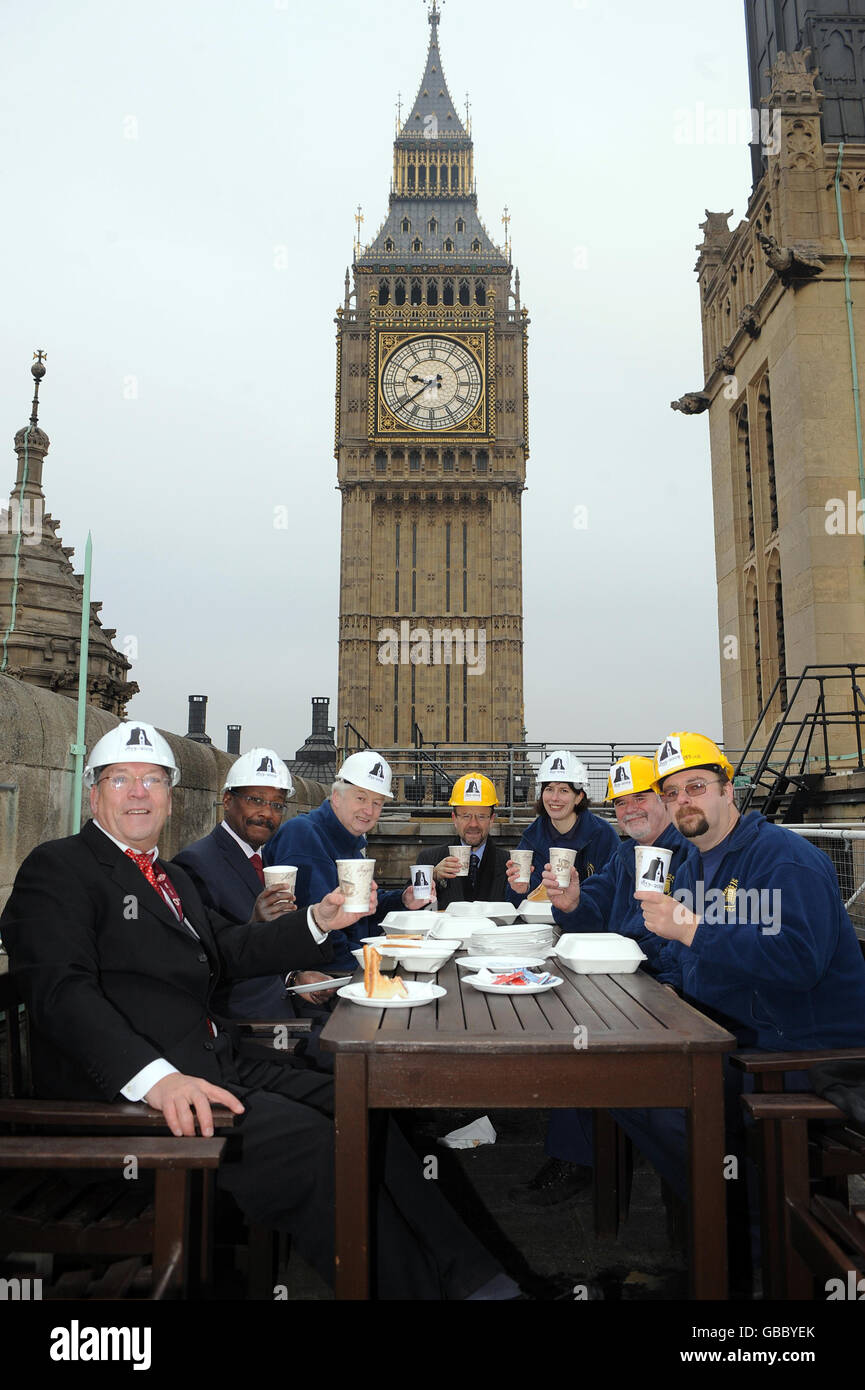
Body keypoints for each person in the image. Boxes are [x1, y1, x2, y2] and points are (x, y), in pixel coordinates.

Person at [0, 721, 520, 1300]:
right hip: (137, 1108)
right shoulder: (59, 868)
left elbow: (226, 950)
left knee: (363, 1105)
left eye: (152, 780)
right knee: (319, 1148)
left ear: (171, 796)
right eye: (121, 779)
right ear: (94, 793)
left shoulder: (169, 877)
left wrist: (318, 922)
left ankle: (480, 1281)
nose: (139, 792)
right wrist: (155, 1080)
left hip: (216, 1067)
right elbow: (59, 994)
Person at [618, 731, 865, 1229]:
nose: (683, 800)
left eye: (696, 786)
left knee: (664, 1103)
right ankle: (726, 1220)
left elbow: (798, 962)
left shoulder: (783, 859)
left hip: (798, 1047)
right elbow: (685, 954)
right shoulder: (690, 867)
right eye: (672, 792)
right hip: (725, 1032)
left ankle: (753, 1242)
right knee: (623, 1084)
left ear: (728, 789)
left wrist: (690, 928)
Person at [509, 755, 694, 1206]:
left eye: (640, 798)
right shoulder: (627, 854)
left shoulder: (691, 853)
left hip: (665, 992)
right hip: (626, 981)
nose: (629, 809)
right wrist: (570, 902)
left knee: (577, 1042)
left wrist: (667, 985)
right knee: (561, 1021)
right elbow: (591, 905)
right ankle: (587, 1152)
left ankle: (586, 1159)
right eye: (621, 802)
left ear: (666, 799)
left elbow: (692, 940)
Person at [172, 747, 335, 1019]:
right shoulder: (194, 865)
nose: (267, 813)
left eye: (276, 804)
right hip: (248, 1023)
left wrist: (293, 978)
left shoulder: (264, 858)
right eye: (256, 800)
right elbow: (202, 965)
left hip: (287, 1000)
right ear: (227, 800)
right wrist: (254, 926)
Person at [263, 750, 429, 973]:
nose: (369, 810)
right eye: (361, 798)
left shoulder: (348, 840)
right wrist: (371, 969)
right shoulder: (303, 837)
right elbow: (320, 929)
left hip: (345, 965)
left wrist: (402, 899)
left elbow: (358, 909)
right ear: (337, 797)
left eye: (377, 803)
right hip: (320, 980)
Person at [504, 749, 619, 903]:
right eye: (549, 789)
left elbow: (615, 892)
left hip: (590, 925)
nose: (554, 798)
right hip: (540, 923)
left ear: (579, 797)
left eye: (564, 790)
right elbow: (514, 902)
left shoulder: (603, 836)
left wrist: (576, 902)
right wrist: (519, 890)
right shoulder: (531, 838)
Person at [414, 773, 510, 909]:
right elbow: (411, 907)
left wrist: (522, 889)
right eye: (466, 816)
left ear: (492, 819)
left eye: (481, 817)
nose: (473, 824)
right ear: (454, 818)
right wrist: (432, 878)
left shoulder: (509, 865)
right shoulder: (429, 860)